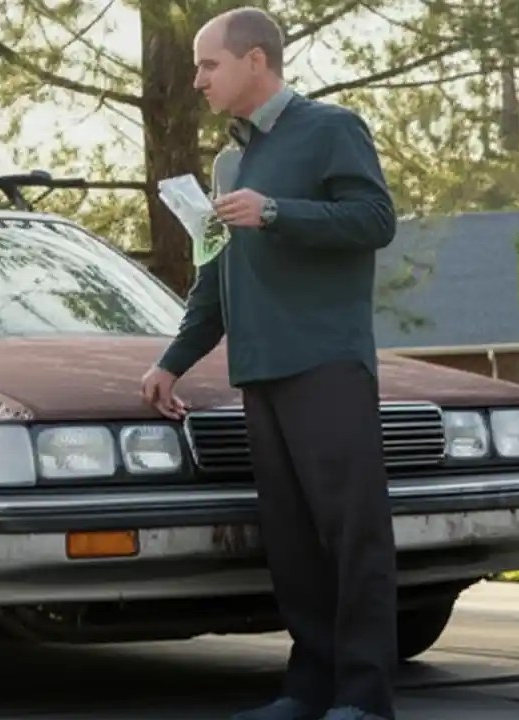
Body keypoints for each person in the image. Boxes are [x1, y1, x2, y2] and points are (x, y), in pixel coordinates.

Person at [139, 7, 400, 720]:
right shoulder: (229, 162)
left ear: (256, 62)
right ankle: (308, 689)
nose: (197, 80)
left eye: (209, 65)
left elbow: (376, 221)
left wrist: (278, 212)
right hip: (258, 373)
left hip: (327, 365)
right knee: (291, 544)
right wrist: (173, 362)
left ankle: (365, 699)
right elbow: (216, 279)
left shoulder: (331, 129)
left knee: (353, 536)